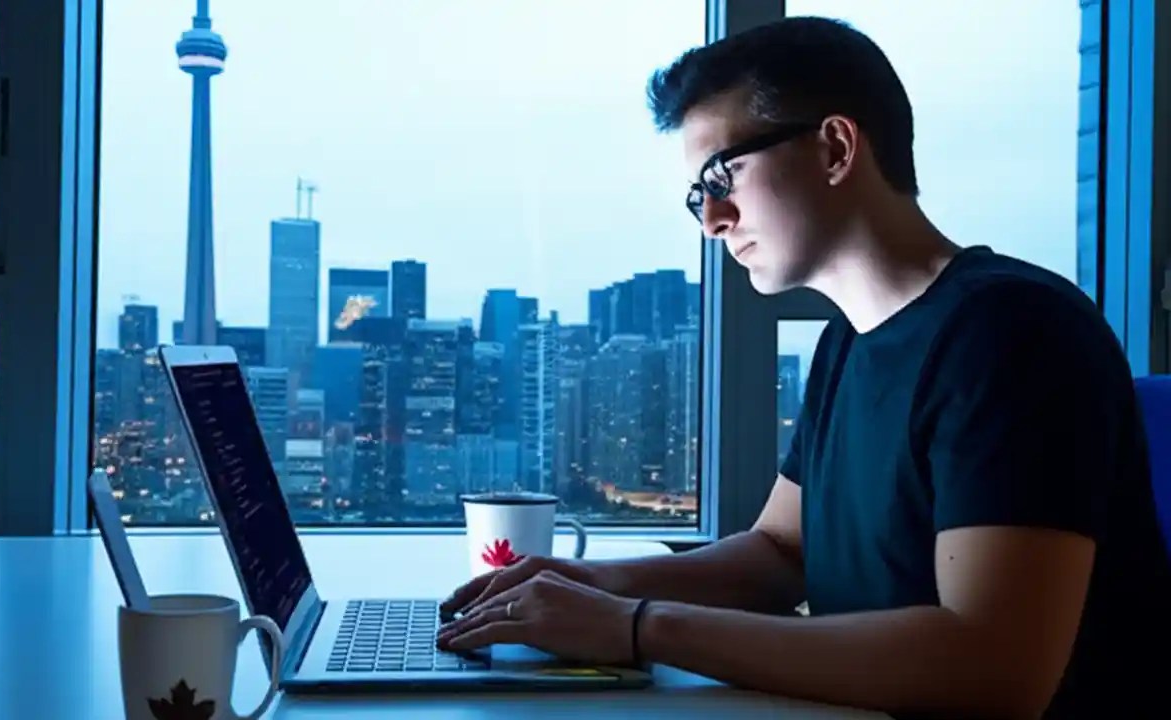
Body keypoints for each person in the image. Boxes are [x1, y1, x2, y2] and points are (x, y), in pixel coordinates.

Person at [436, 15, 1171, 719]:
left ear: (835, 149)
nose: (711, 221)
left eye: (722, 177)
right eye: (697, 197)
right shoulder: (848, 342)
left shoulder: (1013, 334)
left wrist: (635, 625)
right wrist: (589, 586)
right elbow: (781, 554)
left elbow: (994, 668)